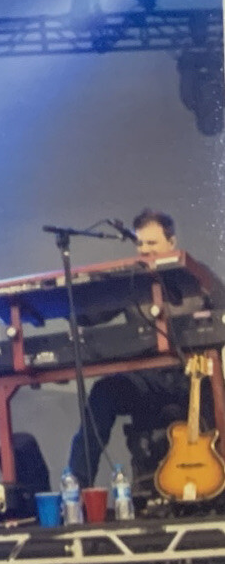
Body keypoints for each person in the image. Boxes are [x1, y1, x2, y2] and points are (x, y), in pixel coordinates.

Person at [66, 208, 222, 486]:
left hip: (195, 378)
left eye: (152, 242)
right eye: (140, 243)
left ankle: (215, 483)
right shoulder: (130, 280)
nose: (145, 249)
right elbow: (92, 315)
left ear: (171, 242)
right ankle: (76, 485)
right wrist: (65, 300)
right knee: (103, 393)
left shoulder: (198, 275)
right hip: (147, 381)